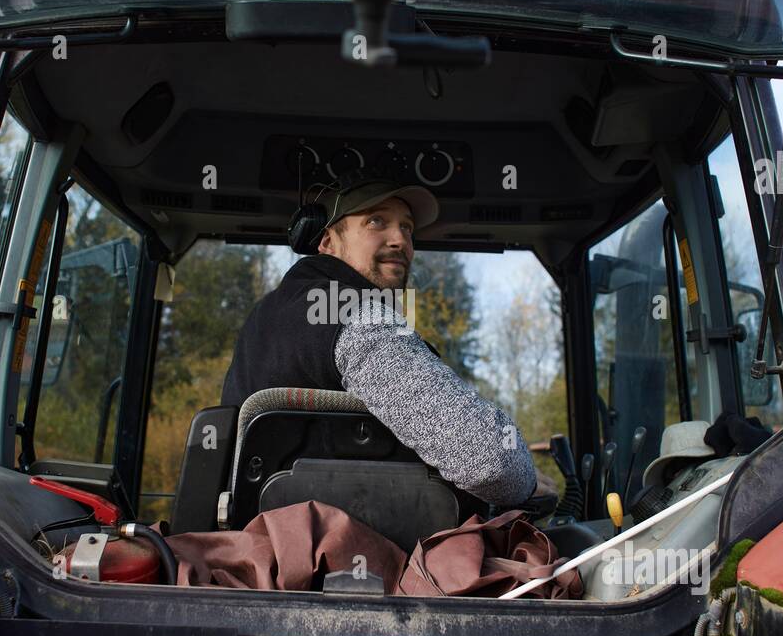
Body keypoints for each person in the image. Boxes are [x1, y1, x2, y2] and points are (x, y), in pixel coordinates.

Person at [221, 173, 556, 508]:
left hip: (286, 543)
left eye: (407, 227)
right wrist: (525, 484)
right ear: (327, 243)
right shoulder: (348, 311)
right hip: (351, 550)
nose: (399, 239)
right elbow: (487, 459)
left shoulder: (271, 314)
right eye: (376, 221)